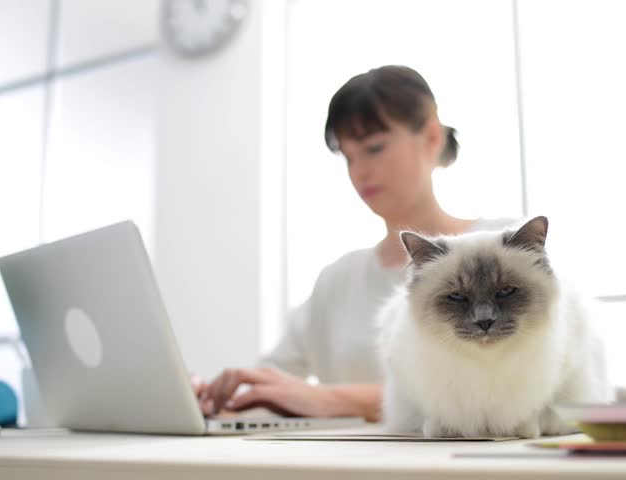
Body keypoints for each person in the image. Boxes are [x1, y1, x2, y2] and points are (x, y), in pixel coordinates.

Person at [193, 65, 515, 422]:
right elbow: (270, 383)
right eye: (348, 157)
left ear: (431, 138)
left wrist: (332, 400)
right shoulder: (338, 279)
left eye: (374, 148)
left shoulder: (504, 251)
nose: (359, 171)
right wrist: (210, 399)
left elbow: (517, 387)